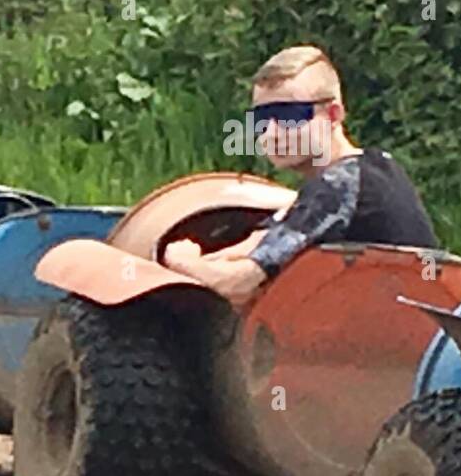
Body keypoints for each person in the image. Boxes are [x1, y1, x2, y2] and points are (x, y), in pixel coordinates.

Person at [163, 45, 437, 304]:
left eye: (289, 116)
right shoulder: (375, 167)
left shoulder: (338, 186)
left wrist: (182, 261)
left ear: (333, 115)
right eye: (261, 119)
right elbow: (255, 246)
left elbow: (239, 284)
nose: (271, 134)